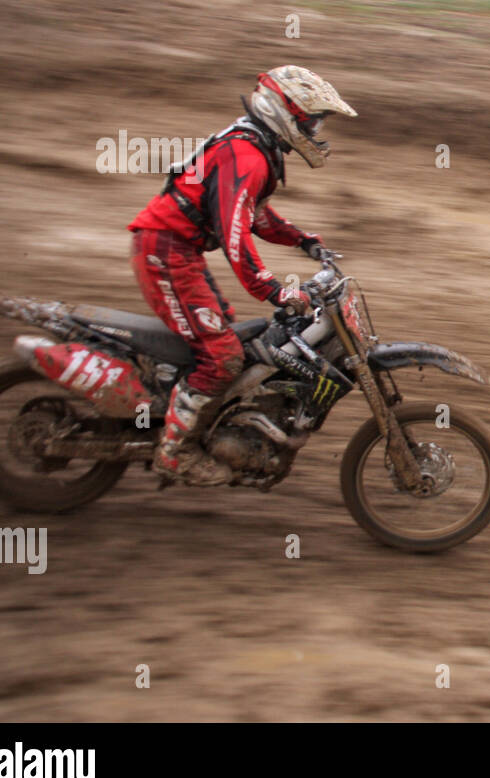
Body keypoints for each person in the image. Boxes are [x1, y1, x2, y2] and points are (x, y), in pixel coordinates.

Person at [127, 66, 356, 485]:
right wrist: (272, 290)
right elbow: (235, 235)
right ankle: (174, 453)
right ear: (285, 112)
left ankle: (191, 419)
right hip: (164, 253)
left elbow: (257, 216)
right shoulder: (247, 155)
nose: (316, 128)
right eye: (312, 118)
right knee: (221, 355)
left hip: (178, 252)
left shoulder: (254, 146)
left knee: (229, 342)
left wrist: (304, 240)